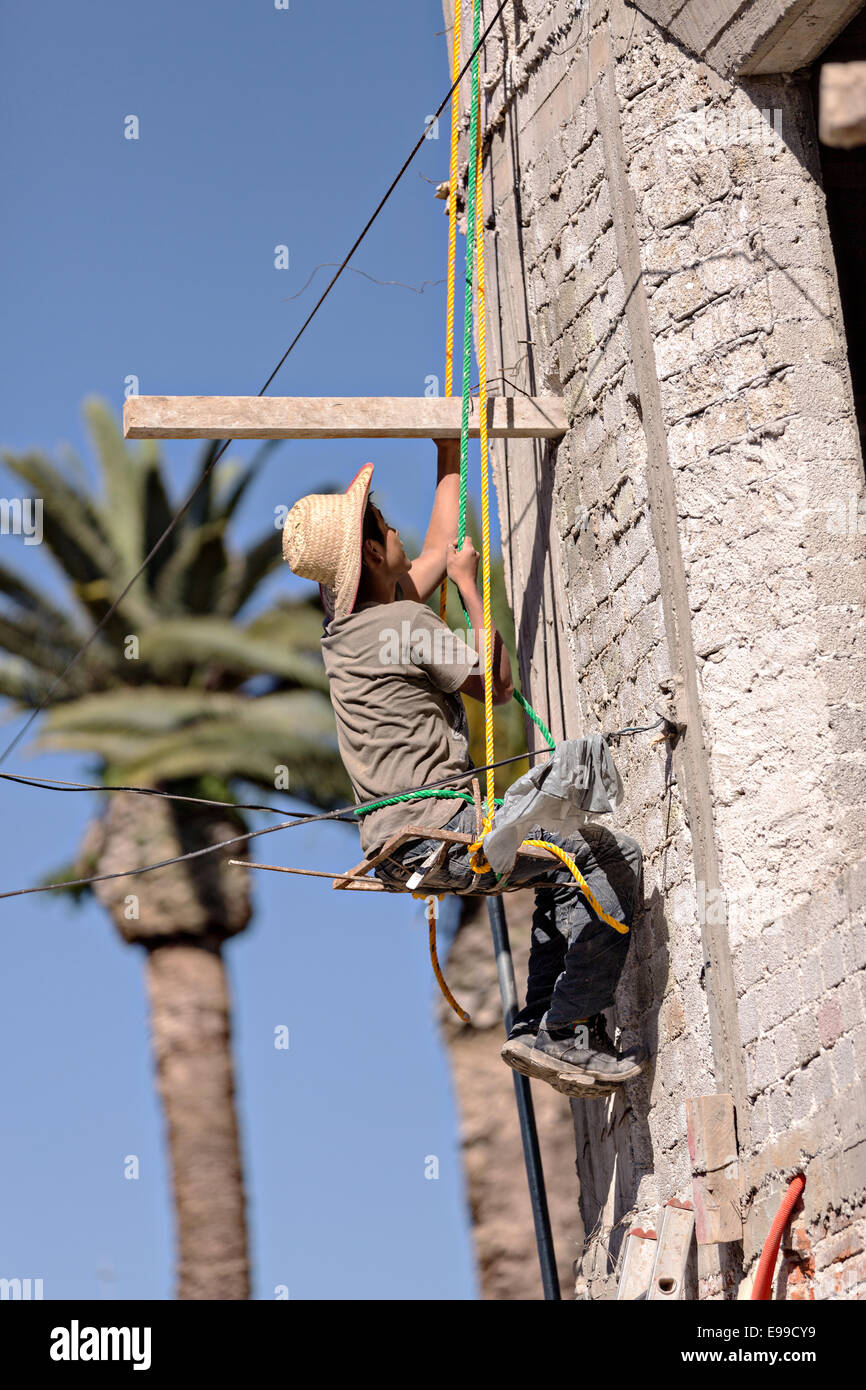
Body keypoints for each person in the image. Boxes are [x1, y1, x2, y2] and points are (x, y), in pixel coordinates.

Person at [281, 442, 646, 1093]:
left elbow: (432, 549)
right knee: (606, 857)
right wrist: (471, 591)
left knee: (555, 867)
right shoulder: (402, 621)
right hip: (441, 828)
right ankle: (568, 1031)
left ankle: (543, 1025)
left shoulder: (348, 630)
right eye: (390, 529)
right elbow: (498, 684)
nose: (402, 536)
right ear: (370, 552)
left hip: (404, 846)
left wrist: (449, 455)